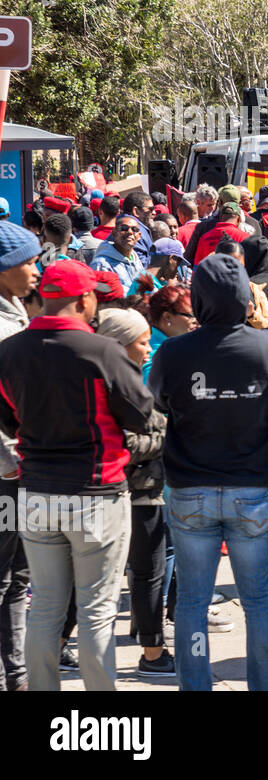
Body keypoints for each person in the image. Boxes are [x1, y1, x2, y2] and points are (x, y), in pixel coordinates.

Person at [0, 259, 154, 691]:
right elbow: (141, 416)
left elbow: (10, 423)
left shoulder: (9, 351)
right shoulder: (101, 350)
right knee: (96, 610)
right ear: (85, 299)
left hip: (36, 493)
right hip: (96, 491)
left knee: (46, 606)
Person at [148, 253, 268, 691]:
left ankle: (195, 684)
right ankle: (265, 684)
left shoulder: (174, 350)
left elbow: (159, 404)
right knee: (259, 599)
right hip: (253, 486)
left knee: (192, 599)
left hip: (191, 487)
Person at [95, 307, 174, 677]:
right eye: (143, 343)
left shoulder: (104, 374)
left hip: (122, 489)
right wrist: (164, 434)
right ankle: (153, 655)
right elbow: (125, 440)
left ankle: (60, 646)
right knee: (146, 572)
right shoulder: (115, 379)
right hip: (133, 490)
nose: (148, 350)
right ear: (121, 344)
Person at [0, 222, 39, 691]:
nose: (35, 270)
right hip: (7, 469)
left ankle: (18, 675)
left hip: (22, 467)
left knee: (18, 578)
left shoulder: (15, 312)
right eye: (27, 262)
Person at [90, 213, 146, 288]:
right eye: (124, 228)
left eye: (134, 229)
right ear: (114, 233)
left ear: (139, 236)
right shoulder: (101, 264)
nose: (130, 232)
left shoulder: (136, 260)